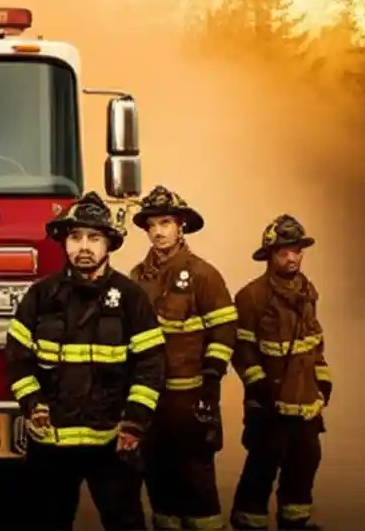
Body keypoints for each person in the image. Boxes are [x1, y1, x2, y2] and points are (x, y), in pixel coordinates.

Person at [5, 191, 165, 531]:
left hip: (112, 443)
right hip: (51, 444)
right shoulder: (40, 296)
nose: (84, 246)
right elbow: (18, 360)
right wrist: (33, 404)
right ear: (64, 244)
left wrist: (134, 423)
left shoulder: (131, 297)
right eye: (75, 237)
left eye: (94, 237)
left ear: (109, 244)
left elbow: (150, 364)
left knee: (125, 523)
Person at [128, 186, 236, 530]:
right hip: (149, 395)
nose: (158, 231)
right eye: (152, 225)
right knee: (156, 471)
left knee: (196, 475)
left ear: (181, 226)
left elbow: (224, 330)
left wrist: (212, 380)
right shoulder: (135, 279)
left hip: (190, 397)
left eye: (165, 223)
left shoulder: (203, 275)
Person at [230, 215, 331, 531]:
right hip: (269, 404)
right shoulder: (251, 297)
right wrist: (257, 385)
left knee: (304, 465)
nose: (292, 258)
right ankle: (249, 524)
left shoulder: (307, 292)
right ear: (270, 256)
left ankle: (295, 522)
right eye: (284, 252)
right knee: (261, 468)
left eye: (297, 251)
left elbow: (314, 343)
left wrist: (323, 380)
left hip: (305, 401)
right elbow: (241, 347)